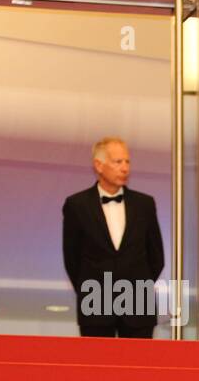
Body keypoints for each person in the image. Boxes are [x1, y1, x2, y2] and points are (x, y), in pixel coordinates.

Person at [61, 136, 165, 338]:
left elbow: (156, 256)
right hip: (95, 302)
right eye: (118, 162)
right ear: (99, 165)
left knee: (138, 367)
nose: (125, 168)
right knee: (97, 367)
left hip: (138, 304)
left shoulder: (145, 204)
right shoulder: (77, 205)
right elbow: (72, 259)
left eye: (127, 162)